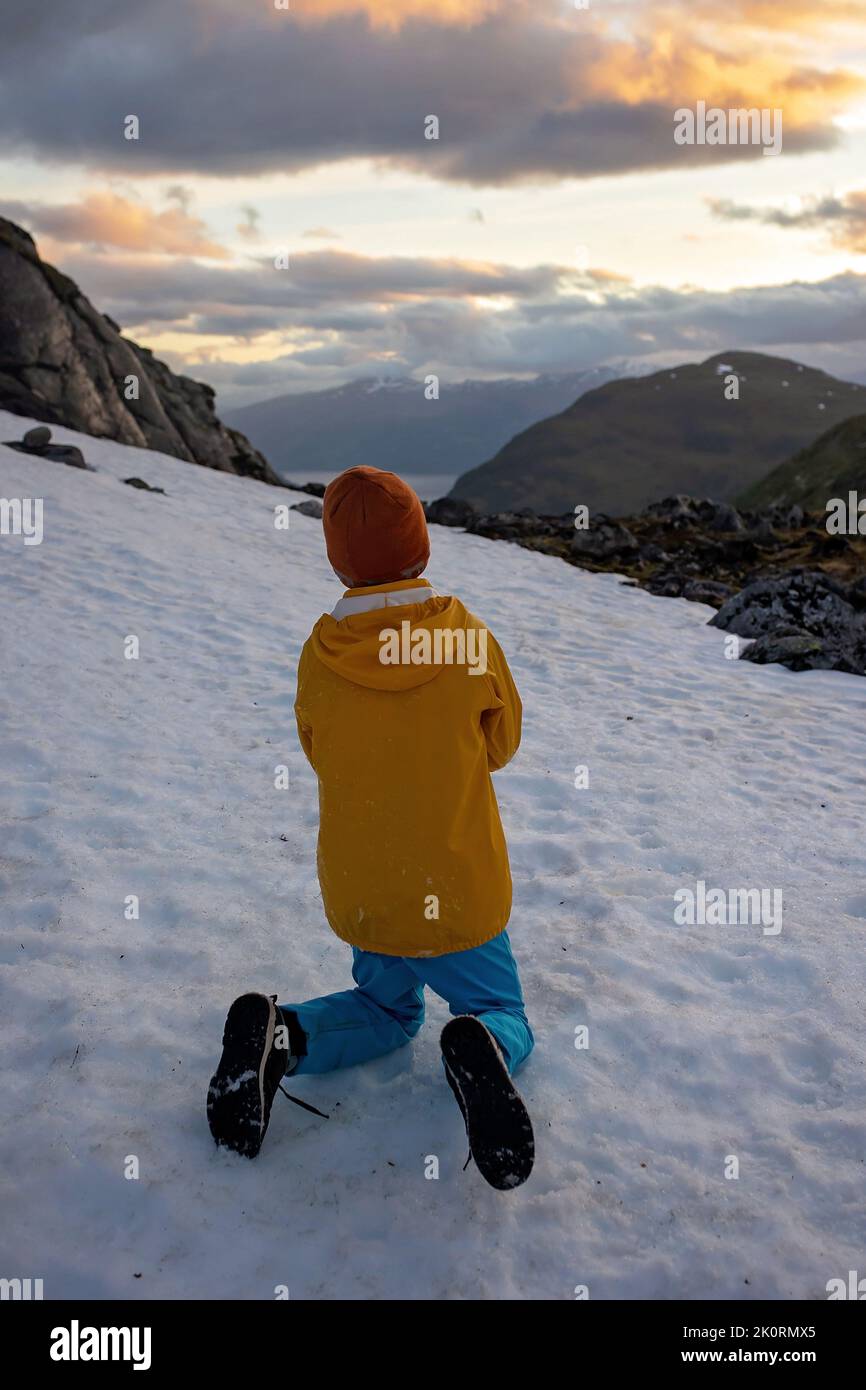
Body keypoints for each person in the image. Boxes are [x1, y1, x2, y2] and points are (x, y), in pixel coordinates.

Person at [207, 466, 534, 1190]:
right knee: (497, 1005)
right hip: (458, 887)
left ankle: (282, 1036)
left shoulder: (322, 652)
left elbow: (317, 750)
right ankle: (482, 1039)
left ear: (337, 560)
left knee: (384, 1010)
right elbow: (501, 743)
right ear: (422, 548)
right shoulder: (464, 637)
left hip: (364, 889)